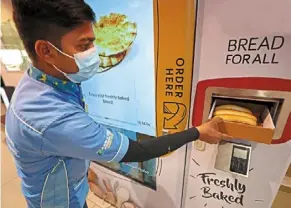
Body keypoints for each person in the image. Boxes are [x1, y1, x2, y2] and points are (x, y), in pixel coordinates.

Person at [6, 0, 232, 207]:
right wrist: (197, 132)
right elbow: (137, 150)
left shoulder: (39, 81)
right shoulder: (52, 118)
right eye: (84, 46)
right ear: (46, 51)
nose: (94, 54)